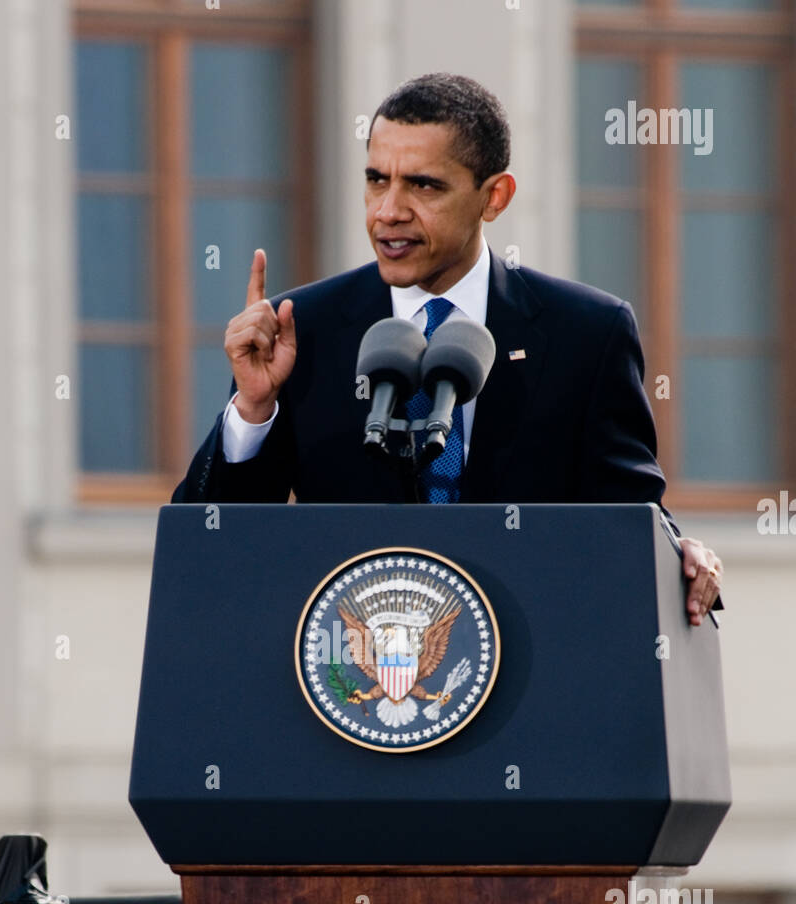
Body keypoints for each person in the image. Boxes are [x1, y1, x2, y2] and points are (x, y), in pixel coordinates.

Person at [172, 72, 722, 625]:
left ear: (494, 197)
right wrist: (253, 410)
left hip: (531, 654)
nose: (389, 210)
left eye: (424, 186)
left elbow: (629, 519)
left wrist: (675, 553)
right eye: (376, 180)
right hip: (351, 659)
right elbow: (211, 549)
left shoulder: (587, 333)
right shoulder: (301, 330)